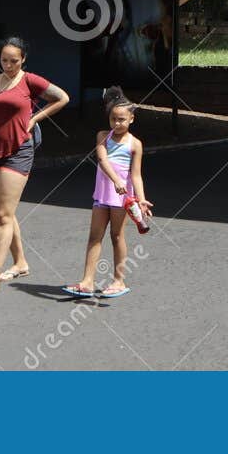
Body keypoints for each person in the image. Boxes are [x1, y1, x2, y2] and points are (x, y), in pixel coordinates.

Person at [0, 37, 70, 297]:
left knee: (1, 216)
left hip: (19, 151)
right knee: (4, 213)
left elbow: (62, 98)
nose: (8, 65)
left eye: (13, 60)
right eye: (4, 60)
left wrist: (34, 119)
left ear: (23, 59)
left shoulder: (30, 81)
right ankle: (20, 263)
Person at [66, 86, 151, 299]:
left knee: (116, 235)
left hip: (123, 198)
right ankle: (87, 281)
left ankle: (119, 281)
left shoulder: (135, 144)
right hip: (103, 193)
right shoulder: (103, 136)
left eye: (122, 119)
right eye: (113, 119)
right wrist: (115, 180)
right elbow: (102, 160)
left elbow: (136, 175)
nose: (117, 123)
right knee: (95, 236)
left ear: (132, 119)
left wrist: (141, 200)